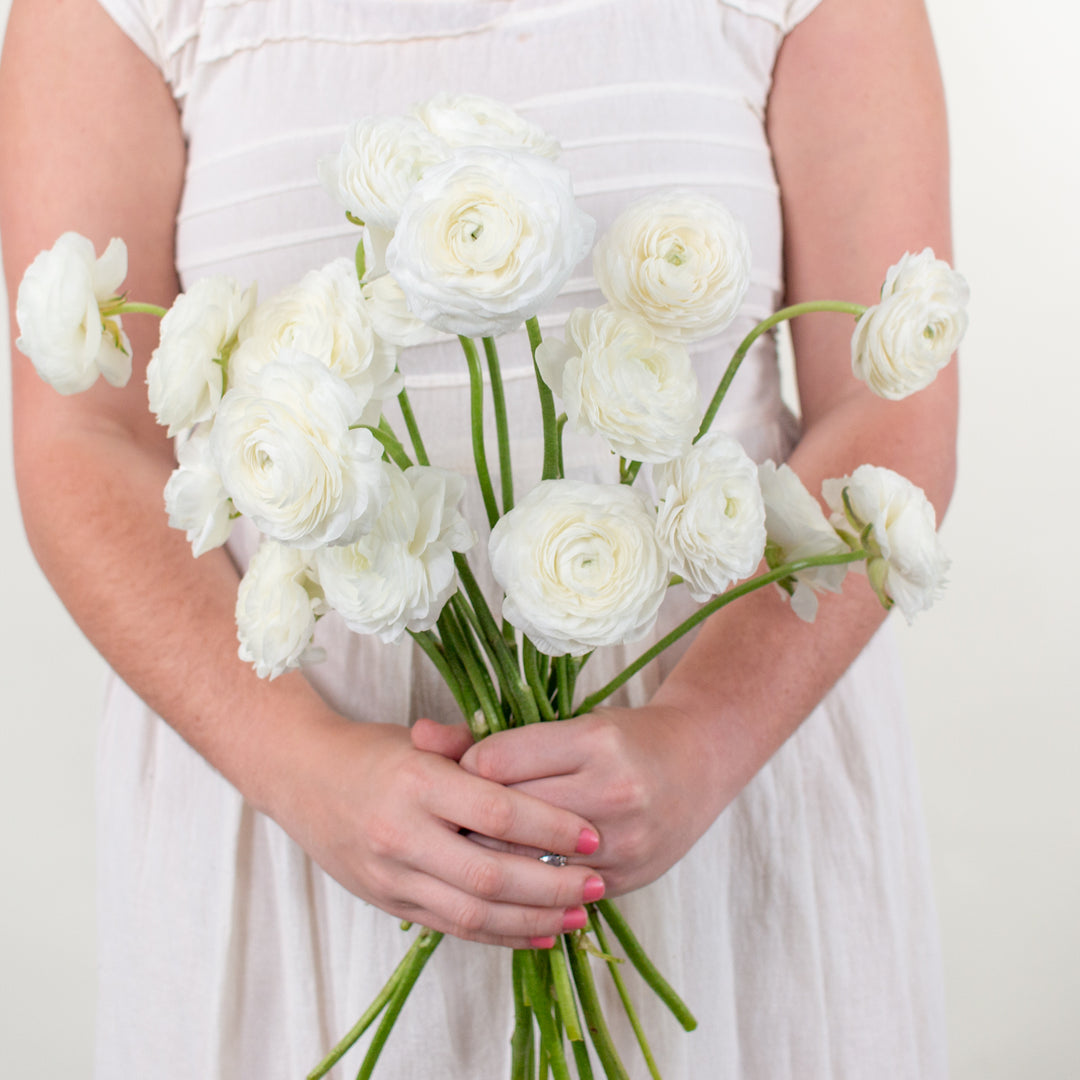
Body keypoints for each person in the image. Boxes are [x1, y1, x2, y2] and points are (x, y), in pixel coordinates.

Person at [0, 0, 957, 1076]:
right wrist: (304, 768)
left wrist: (703, 737)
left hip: (715, 781)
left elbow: (889, 406)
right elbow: (87, 436)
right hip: (288, 795)